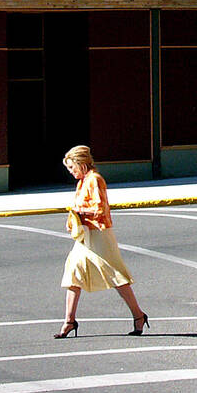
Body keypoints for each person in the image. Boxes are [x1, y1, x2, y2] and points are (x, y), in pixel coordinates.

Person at [54, 145, 149, 339]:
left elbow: (100, 208)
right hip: (86, 235)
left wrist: (78, 212)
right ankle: (69, 321)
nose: (71, 172)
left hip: (99, 234)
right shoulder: (82, 182)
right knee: (73, 273)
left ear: (81, 164)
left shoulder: (94, 180)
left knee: (115, 275)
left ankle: (138, 315)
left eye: (72, 167)